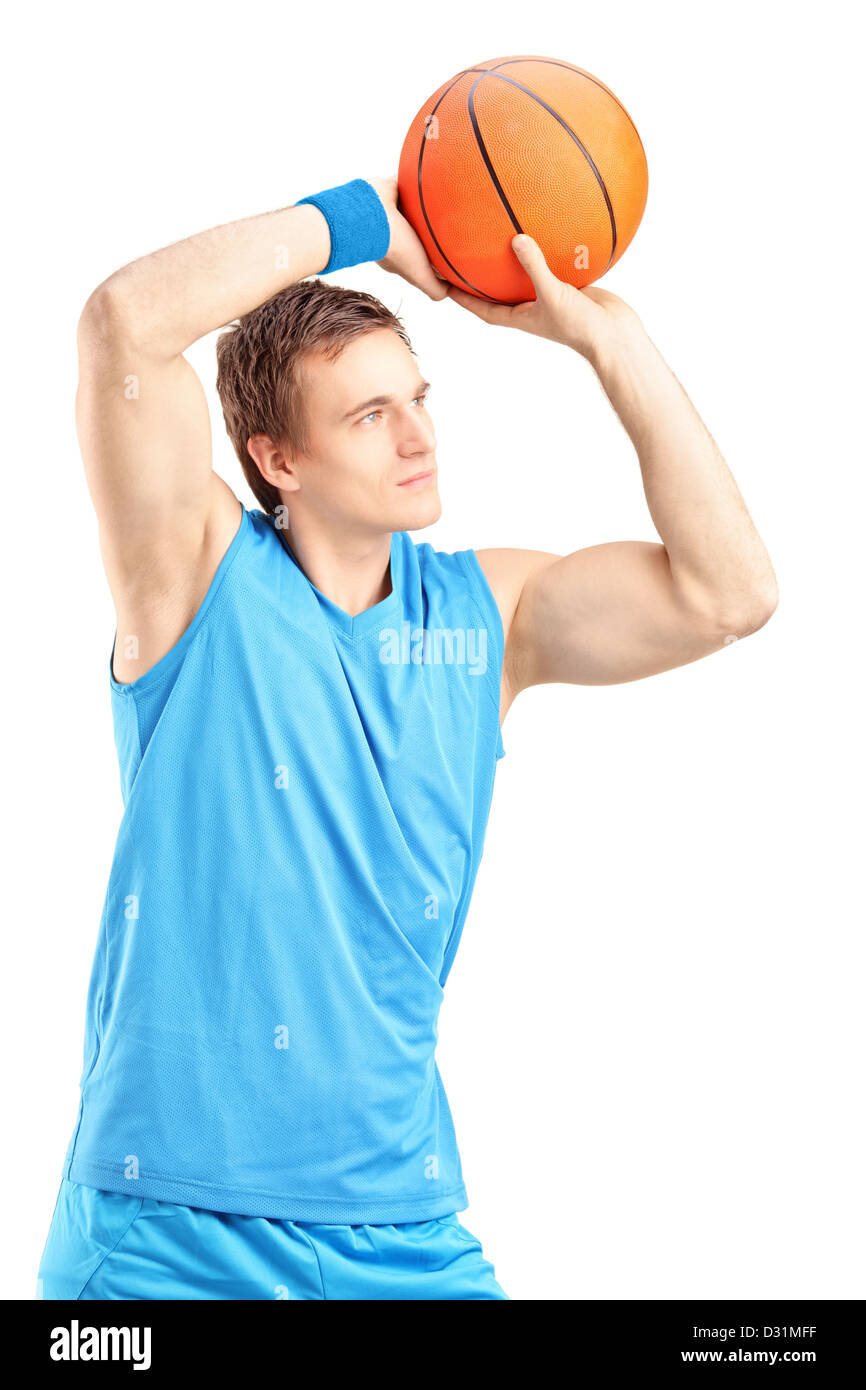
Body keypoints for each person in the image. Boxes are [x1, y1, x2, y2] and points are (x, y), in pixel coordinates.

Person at [36, 175, 777, 1301]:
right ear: (277, 458)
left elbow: (729, 594)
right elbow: (122, 323)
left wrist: (611, 343)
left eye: (417, 398)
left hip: (399, 1231)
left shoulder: (491, 619)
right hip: (164, 1235)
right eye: (368, 414)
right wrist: (366, 220)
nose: (416, 435)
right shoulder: (190, 582)